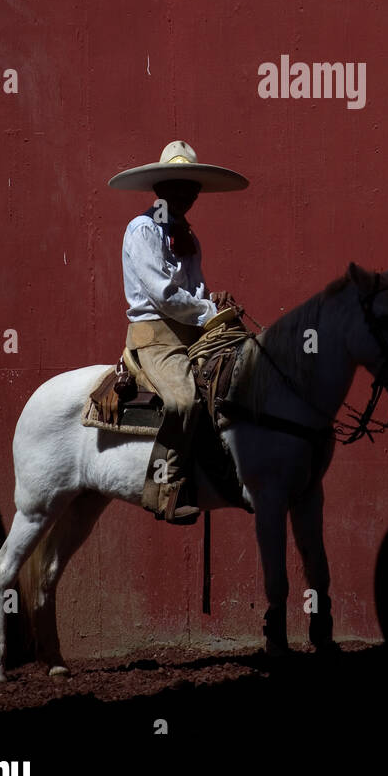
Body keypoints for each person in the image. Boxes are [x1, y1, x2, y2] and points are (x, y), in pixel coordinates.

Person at [108, 139, 248, 523]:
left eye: (192, 189)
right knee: (184, 400)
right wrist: (208, 309)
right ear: (160, 190)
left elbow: (195, 289)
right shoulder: (142, 230)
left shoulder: (188, 236)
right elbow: (165, 296)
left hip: (190, 331)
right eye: (178, 188)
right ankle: (164, 489)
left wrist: (213, 303)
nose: (187, 196)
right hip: (155, 338)